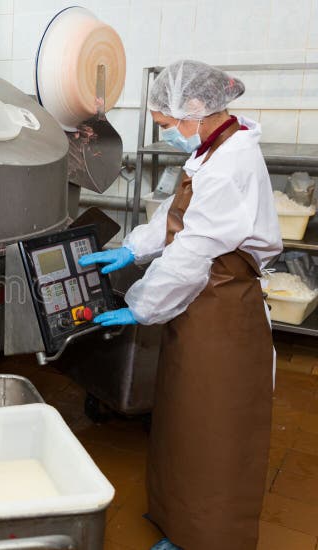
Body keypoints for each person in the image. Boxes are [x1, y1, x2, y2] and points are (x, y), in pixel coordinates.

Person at [78, 60, 282, 550]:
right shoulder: (214, 149)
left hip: (222, 311)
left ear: (195, 109)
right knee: (185, 420)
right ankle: (183, 523)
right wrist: (133, 247)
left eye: (166, 124)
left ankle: (208, 538)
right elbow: (177, 217)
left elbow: (192, 254)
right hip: (200, 305)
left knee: (214, 429)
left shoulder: (230, 165)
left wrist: (142, 305)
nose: (166, 134)